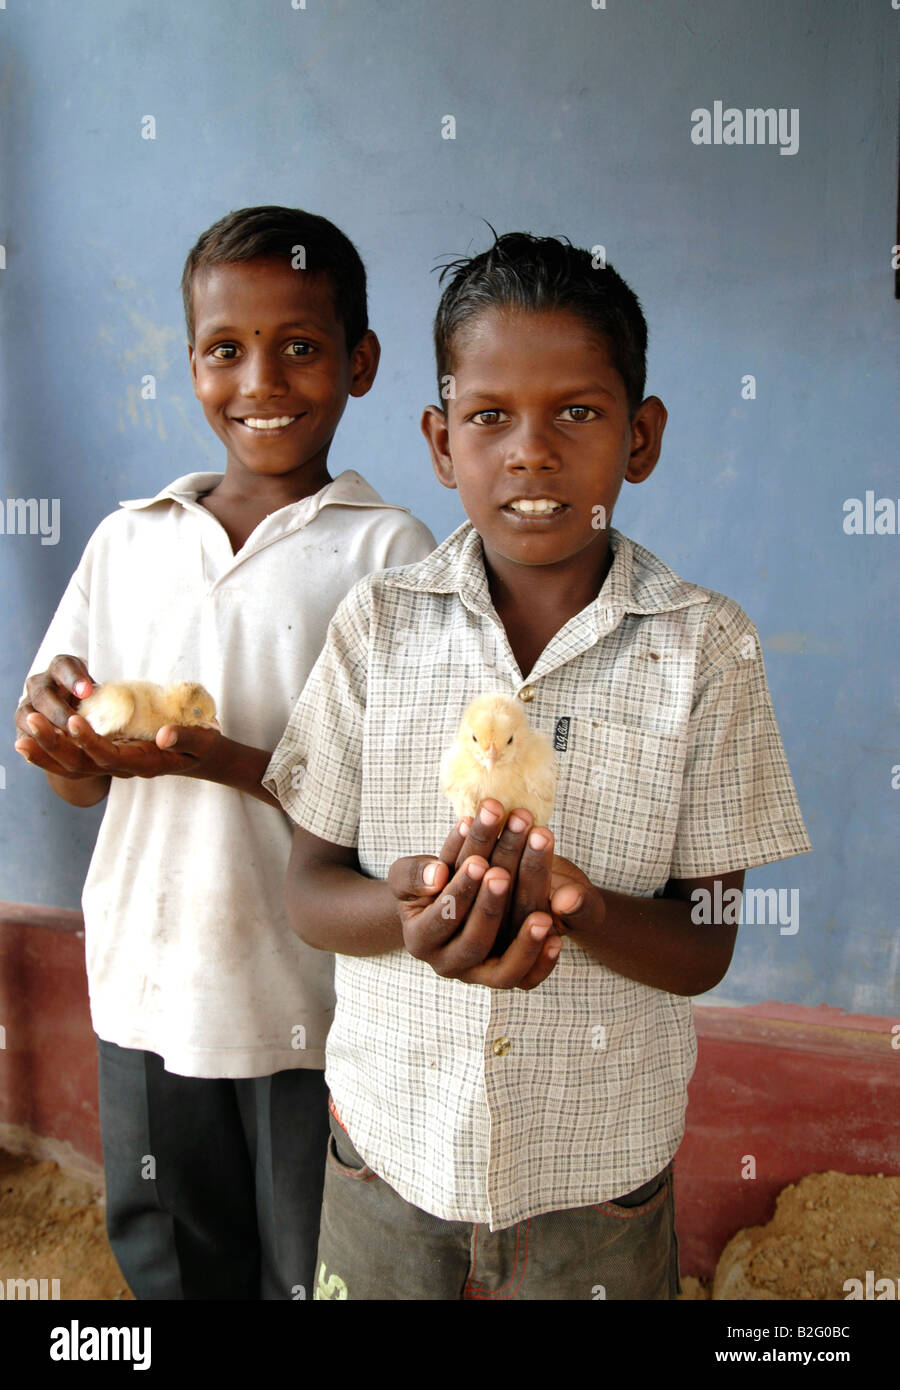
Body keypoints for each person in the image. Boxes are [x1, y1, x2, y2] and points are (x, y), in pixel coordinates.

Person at [264, 232, 812, 1301]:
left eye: (578, 412)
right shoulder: (378, 626)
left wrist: (586, 908)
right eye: (489, 418)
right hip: (387, 1145)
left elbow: (707, 946)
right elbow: (309, 890)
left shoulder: (705, 648)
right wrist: (410, 912)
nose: (531, 452)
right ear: (438, 440)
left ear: (641, 437)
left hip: (596, 1181)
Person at [13, 205, 436, 1300]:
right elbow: (74, 782)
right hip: (149, 979)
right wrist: (64, 736)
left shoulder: (389, 555)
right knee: (170, 1255)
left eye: (301, 346)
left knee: (312, 1266)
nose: (263, 379)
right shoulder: (131, 538)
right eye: (224, 350)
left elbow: (398, 807)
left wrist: (226, 761)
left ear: (361, 362)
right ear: (191, 363)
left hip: (313, 998)